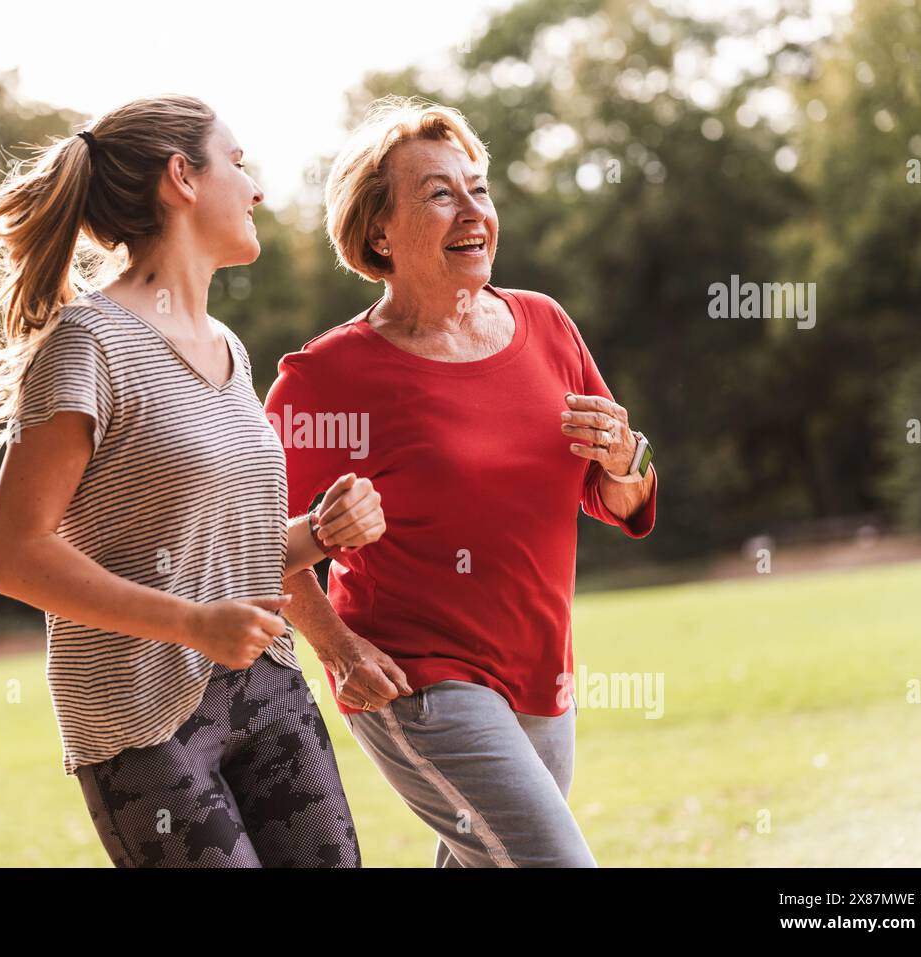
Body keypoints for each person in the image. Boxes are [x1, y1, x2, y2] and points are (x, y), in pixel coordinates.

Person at [0, 94, 385, 867]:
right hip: (141, 723)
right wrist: (191, 624)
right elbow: (11, 554)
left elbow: (225, 557)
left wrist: (320, 532)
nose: (254, 190)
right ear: (182, 179)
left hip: (267, 688)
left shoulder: (228, 346)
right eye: (239, 165)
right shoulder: (87, 342)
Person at [264, 96, 658, 867]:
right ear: (379, 230)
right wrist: (338, 647)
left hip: (542, 672)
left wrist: (626, 459)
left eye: (477, 187)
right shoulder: (327, 375)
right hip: (420, 682)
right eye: (439, 193)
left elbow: (615, 493)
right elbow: (248, 541)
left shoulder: (545, 324)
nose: (471, 208)